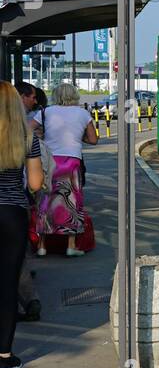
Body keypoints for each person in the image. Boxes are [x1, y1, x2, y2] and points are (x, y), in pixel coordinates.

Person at [0, 82, 43, 368]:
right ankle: (4, 356)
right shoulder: (27, 136)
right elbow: (36, 183)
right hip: (12, 214)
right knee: (7, 284)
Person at [36, 82, 98, 257]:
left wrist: (43, 135)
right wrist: (79, 138)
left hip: (49, 160)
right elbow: (93, 140)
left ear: (56, 95)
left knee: (45, 200)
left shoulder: (46, 112)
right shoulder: (83, 113)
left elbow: (29, 128)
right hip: (72, 161)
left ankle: (42, 246)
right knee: (72, 201)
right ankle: (71, 245)